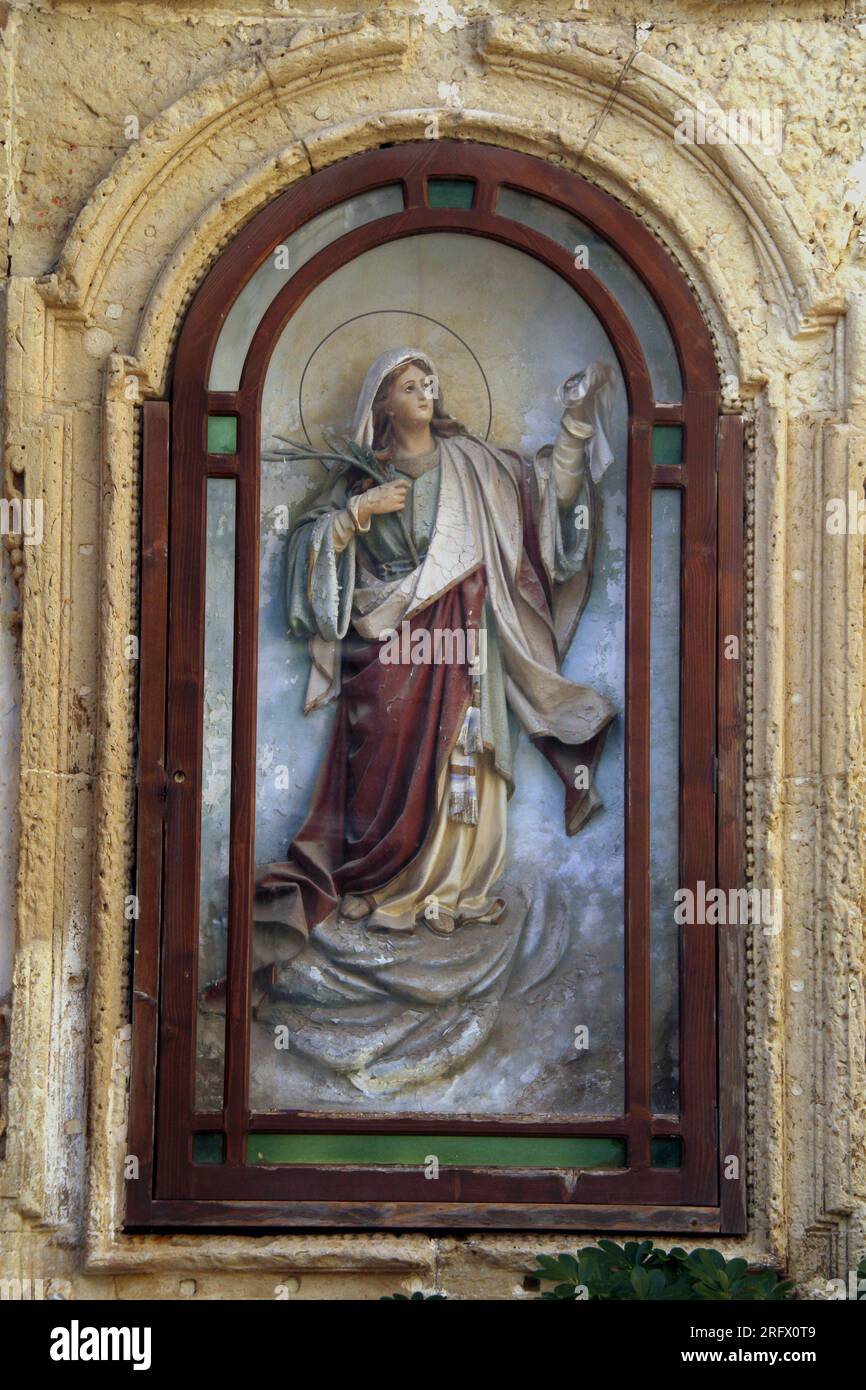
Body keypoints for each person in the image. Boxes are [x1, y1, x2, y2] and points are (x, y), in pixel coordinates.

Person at [254, 346, 616, 960]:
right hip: (386, 643)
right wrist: (353, 516)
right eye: (410, 386)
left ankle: (454, 891)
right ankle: (377, 879)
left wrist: (576, 423)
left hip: (467, 638)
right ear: (384, 405)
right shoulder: (359, 475)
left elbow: (549, 505)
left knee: (463, 755)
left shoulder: (478, 466)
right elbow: (305, 558)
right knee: (382, 752)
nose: (426, 393)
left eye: (430, 384)